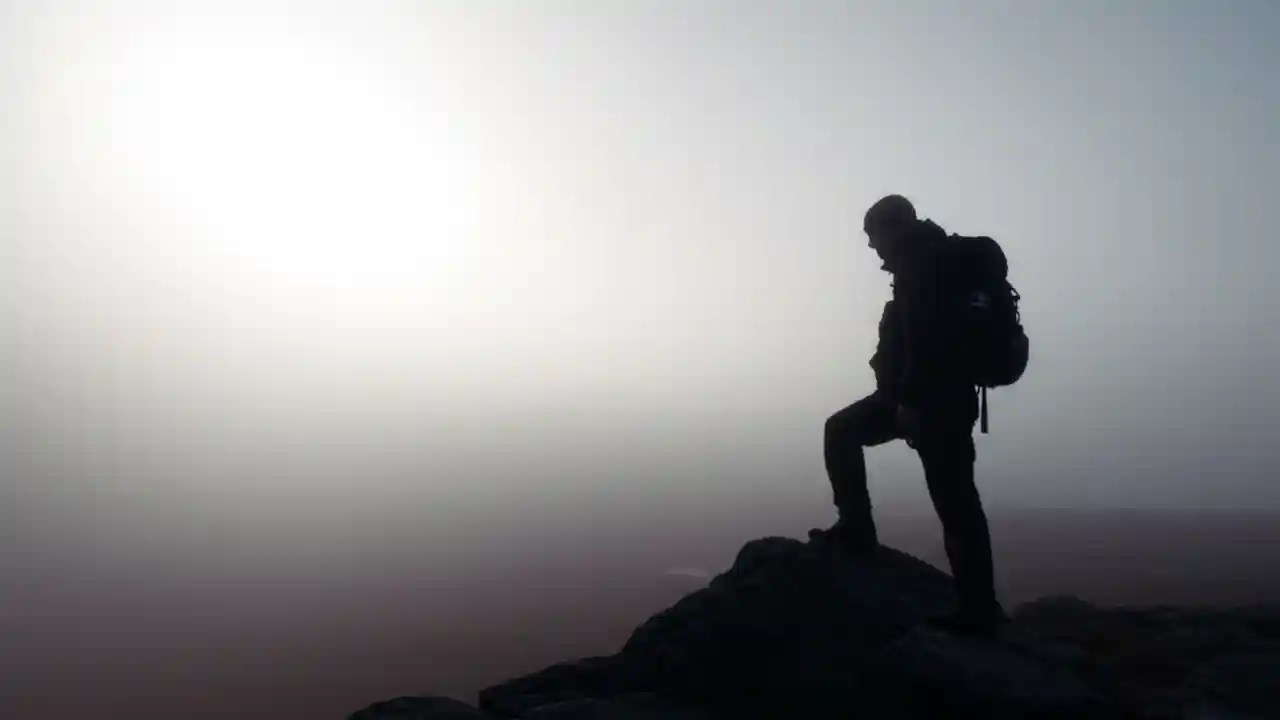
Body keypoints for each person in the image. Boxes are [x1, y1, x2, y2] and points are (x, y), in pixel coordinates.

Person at [810, 194, 1007, 638]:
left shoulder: (922, 266)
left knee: (954, 503)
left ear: (891, 229)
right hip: (936, 401)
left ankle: (976, 611)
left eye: (872, 237)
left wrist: (908, 405)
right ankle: (976, 604)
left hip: (927, 404)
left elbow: (924, 345)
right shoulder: (930, 259)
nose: (871, 248)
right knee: (957, 502)